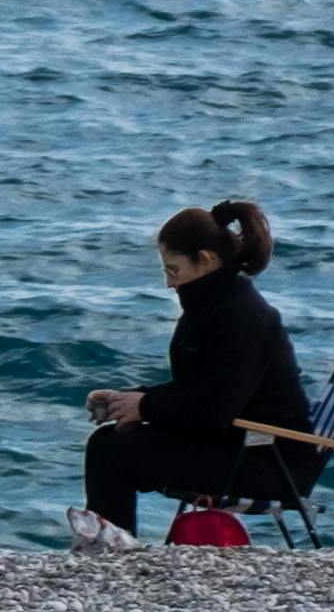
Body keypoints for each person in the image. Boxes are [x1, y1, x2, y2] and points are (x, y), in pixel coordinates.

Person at [74, 194, 312, 540]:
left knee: (114, 452)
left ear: (206, 260)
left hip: (270, 463)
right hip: (242, 444)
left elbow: (214, 410)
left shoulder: (240, 317)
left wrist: (145, 406)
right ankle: (110, 551)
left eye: (174, 270)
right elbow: (200, 391)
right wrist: (131, 400)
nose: (169, 283)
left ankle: (109, 557)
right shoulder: (218, 304)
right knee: (107, 441)